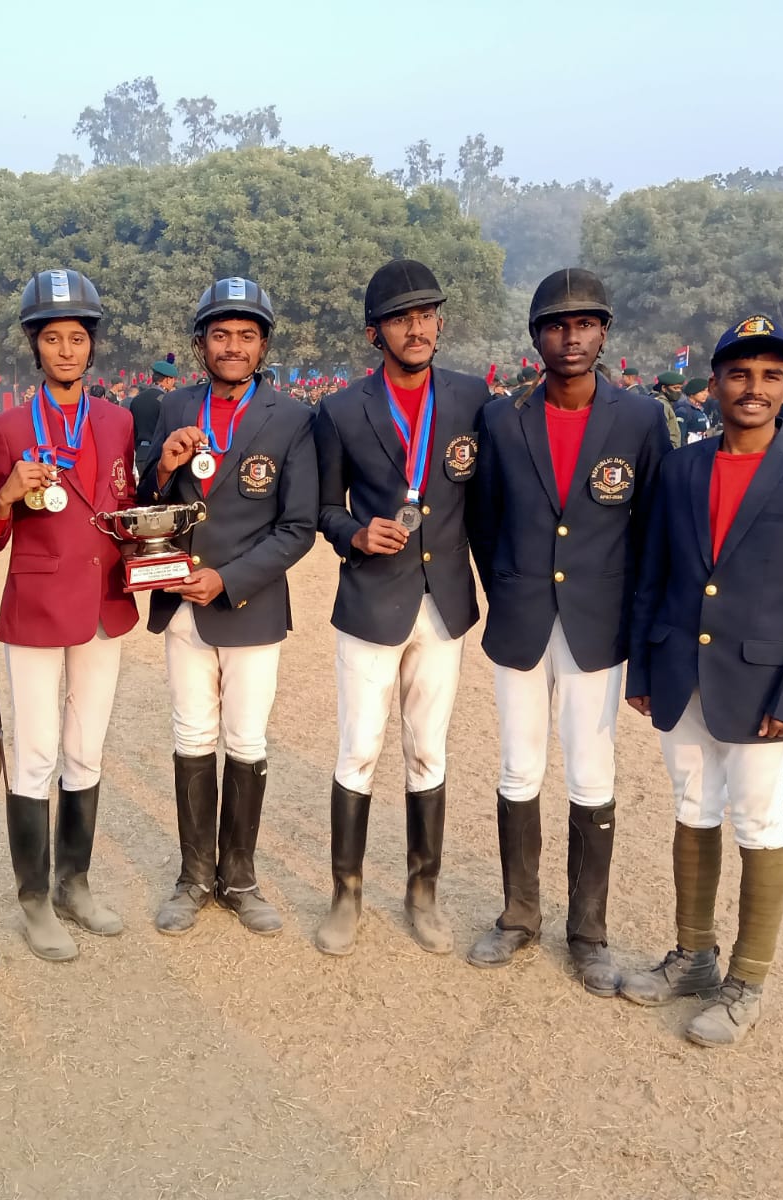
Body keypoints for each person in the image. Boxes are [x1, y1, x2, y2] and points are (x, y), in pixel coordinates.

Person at [622, 312, 783, 1046]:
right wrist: (642, 666)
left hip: (764, 686)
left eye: (769, 375)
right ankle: (694, 955)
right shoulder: (684, 467)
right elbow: (651, 575)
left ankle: (746, 979)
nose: (753, 389)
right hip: (680, 669)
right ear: (716, 382)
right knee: (693, 805)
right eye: (739, 373)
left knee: (758, 818)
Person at [466, 268, 672, 995]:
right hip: (522, 617)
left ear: (604, 333)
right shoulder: (501, 417)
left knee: (591, 772)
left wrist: (639, 627)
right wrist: (512, 590)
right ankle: (520, 915)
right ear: (536, 337)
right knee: (519, 767)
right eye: (557, 324)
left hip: (597, 623)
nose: (572, 336)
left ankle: (588, 932)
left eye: (586, 323)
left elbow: (652, 530)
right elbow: (483, 521)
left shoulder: (642, 419)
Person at [312, 260, 489, 956]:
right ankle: (345, 895)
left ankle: (423, 893)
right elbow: (323, 506)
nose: (415, 328)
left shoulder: (476, 400)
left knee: (427, 749)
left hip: (444, 602)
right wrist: (354, 533)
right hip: (371, 598)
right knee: (358, 749)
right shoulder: (342, 409)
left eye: (425, 314)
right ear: (374, 332)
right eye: (399, 318)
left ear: (440, 322)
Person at [138, 278, 316, 939]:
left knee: (244, 739)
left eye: (245, 336)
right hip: (182, 601)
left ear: (263, 345)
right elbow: (146, 496)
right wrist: (164, 466)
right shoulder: (173, 404)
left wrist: (229, 578)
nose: (232, 347)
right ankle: (192, 877)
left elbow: (297, 526)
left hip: (250, 603)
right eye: (219, 335)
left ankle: (238, 877)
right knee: (191, 736)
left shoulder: (295, 418)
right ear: (199, 345)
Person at [0, 269, 138, 961]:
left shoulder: (119, 420)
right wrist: (6, 494)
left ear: (91, 347)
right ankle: (33, 899)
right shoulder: (9, 426)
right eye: (52, 339)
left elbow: (126, 506)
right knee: (35, 753)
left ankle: (74, 882)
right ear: (34, 348)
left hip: (105, 603)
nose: (66, 350)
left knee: (84, 749)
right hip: (37, 606)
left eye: (77, 338)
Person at [131, 357, 175, 476]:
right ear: (167, 380)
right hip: (159, 455)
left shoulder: (136, 400)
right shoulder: (166, 400)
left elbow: (133, 430)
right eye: (173, 380)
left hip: (141, 454)